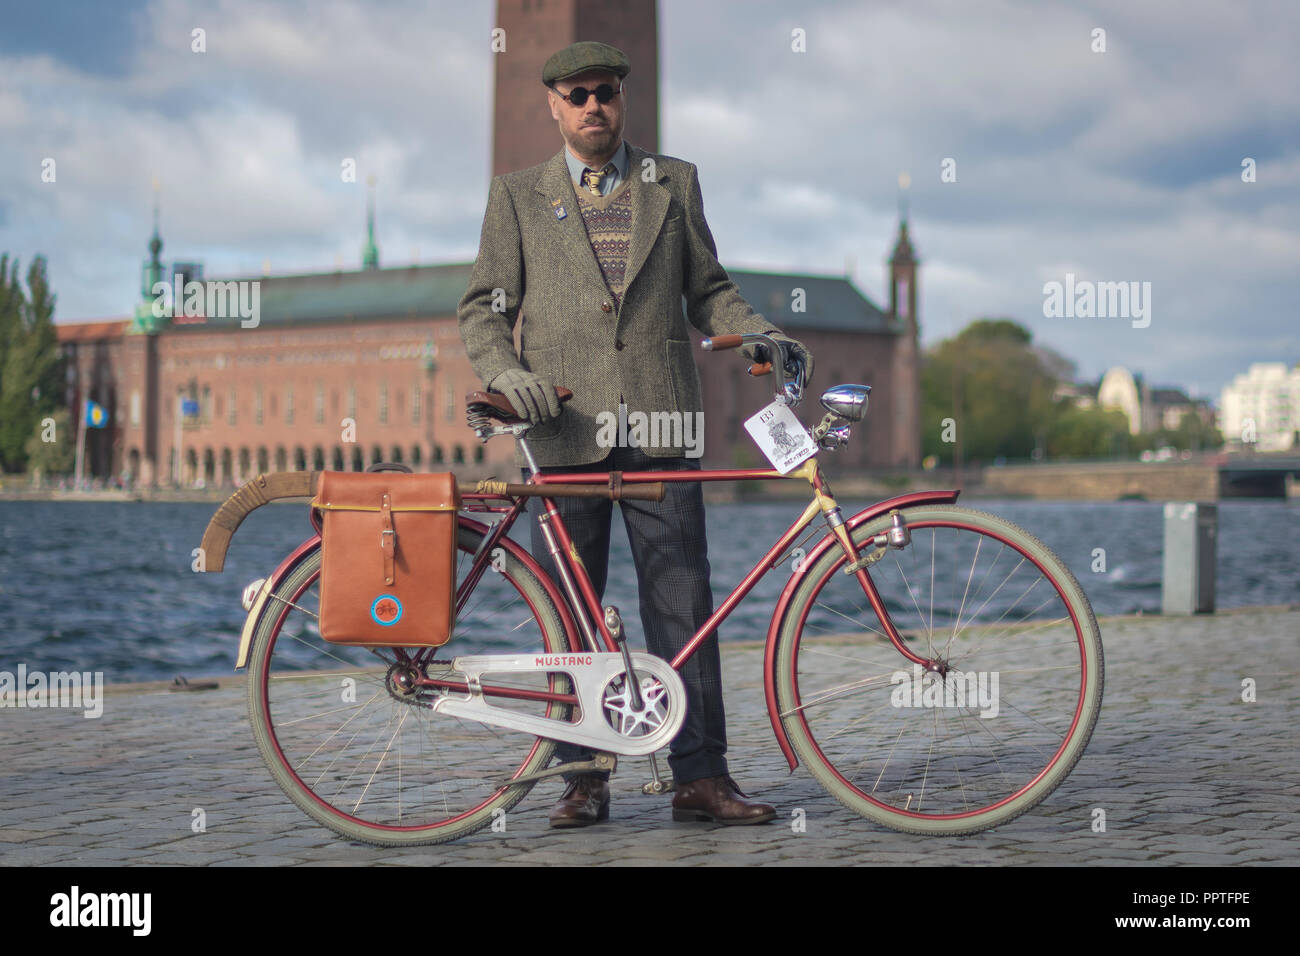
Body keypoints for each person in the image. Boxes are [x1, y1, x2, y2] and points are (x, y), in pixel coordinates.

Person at [458, 41, 813, 829]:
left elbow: (710, 292)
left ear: (623, 99)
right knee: (568, 619)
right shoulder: (517, 195)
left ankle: (701, 777)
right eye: (577, 94)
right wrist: (505, 371)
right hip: (561, 430)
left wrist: (759, 333)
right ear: (553, 104)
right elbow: (483, 305)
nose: (593, 106)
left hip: (661, 422)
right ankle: (582, 778)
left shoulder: (674, 182)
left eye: (606, 92)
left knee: (683, 605)